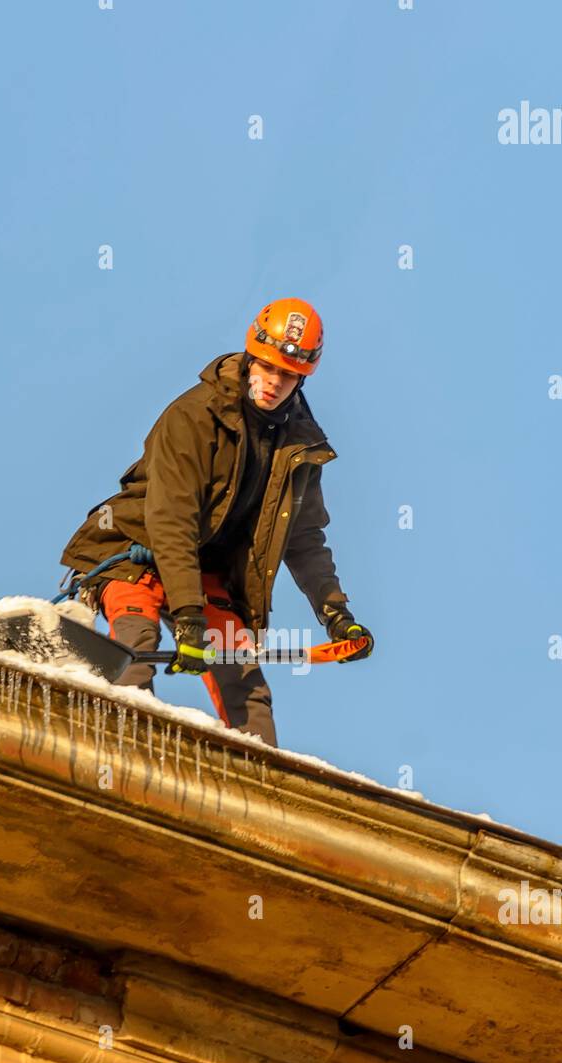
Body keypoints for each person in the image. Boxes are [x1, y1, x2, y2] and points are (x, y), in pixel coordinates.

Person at [59, 297, 373, 747]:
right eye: (267, 367)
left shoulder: (300, 446)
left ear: (302, 377)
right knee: (136, 648)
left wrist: (337, 615)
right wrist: (188, 619)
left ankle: (258, 783)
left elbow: (304, 541)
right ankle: (126, 756)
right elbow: (171, 520)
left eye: (287, 374)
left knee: (244, 677)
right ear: (251, 355)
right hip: (134, 551)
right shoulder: (192, 417)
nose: (274, 382)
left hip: (204, 571)